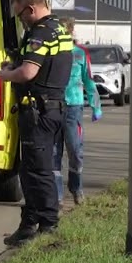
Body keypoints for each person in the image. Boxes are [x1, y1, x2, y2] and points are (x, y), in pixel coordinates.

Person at [0, 0, 73, 246]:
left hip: (39, 111)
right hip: (53, 108)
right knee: (31, 169)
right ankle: (29, 223)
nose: (21, 21)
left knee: (37, 171)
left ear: (31, 9)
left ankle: (48, 226)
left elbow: (29, 72)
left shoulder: (40, 33)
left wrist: (7, 75)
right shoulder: (60, 30)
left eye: (21, 16)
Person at [54, 18, 102, 206]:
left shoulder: (81, 54)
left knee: (75, 149)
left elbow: (89, 80)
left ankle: (76, 187)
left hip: (74, 107)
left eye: (66, 31)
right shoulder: (53, 52)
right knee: (54, 152)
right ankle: (57, 195)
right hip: (54, 106)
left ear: (71, 32)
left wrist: (96, 105)